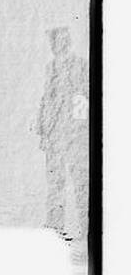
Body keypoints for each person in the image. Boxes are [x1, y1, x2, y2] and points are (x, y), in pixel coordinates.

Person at [36, 26, 89, 243]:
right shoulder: (51, 67)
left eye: (58, 42)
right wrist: (42, 130)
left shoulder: (79, 65)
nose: (55, 47)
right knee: (55, 183)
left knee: (79, 183)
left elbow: (82, 99)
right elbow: (46, 99)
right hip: (55, 135)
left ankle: (87, 229)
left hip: (73, 135)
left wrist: (79, 130)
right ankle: (55, 228)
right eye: (54, 43)